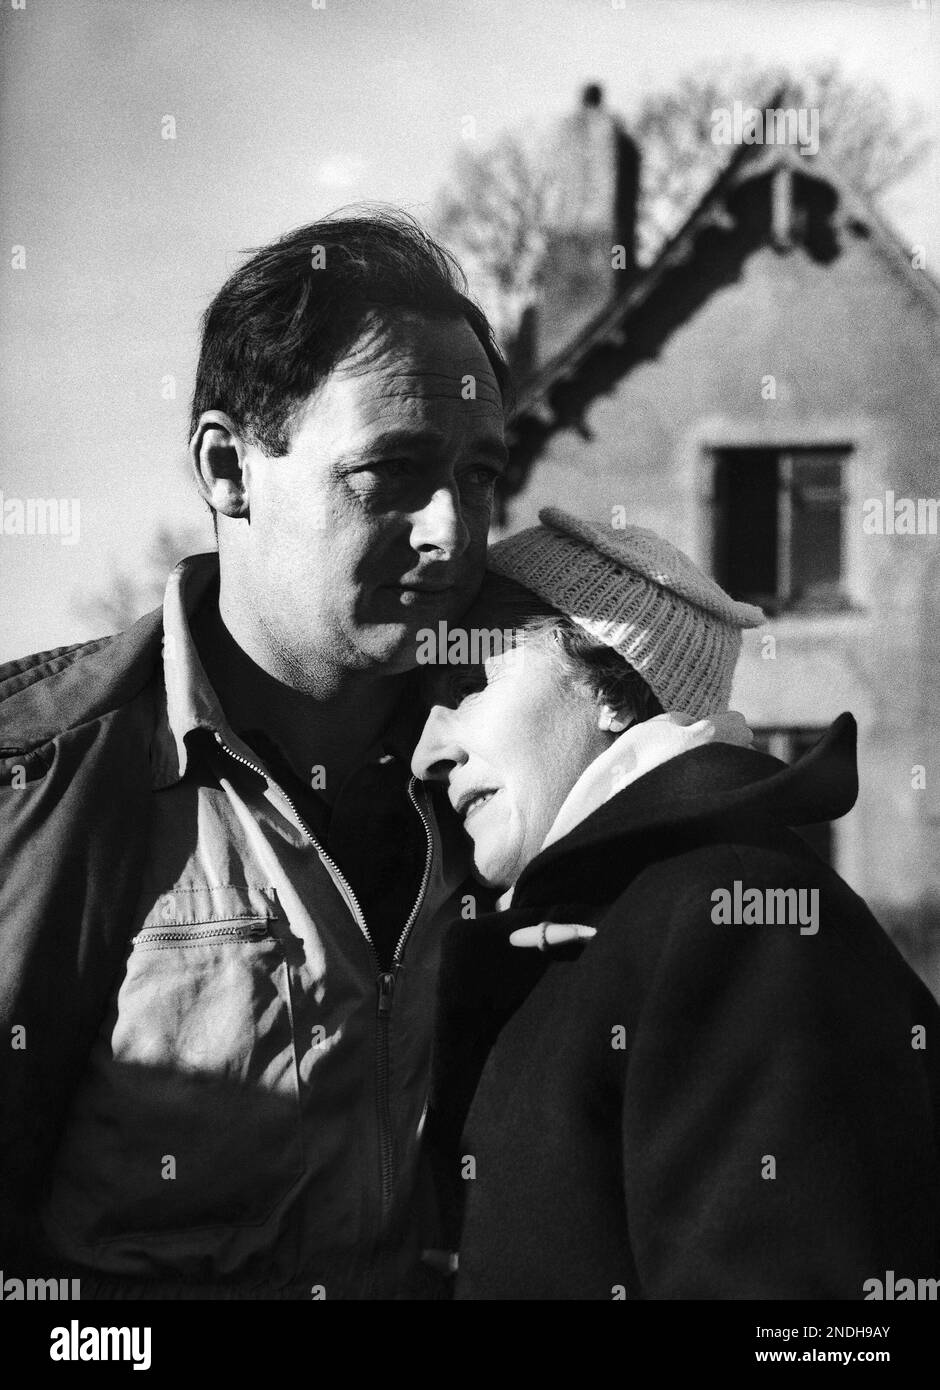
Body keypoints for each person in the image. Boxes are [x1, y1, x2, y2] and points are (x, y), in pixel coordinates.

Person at [0, 209, 509, 1298]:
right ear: (229, 468)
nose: (452, 535)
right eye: (392, 472)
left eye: (478, 478)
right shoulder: (41, 785)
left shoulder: (510, 765)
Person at [413, 506, 940, 1300]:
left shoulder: (738, 920)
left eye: (467, 684)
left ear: (613, 688)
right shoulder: (606, 923)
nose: (429, 751)